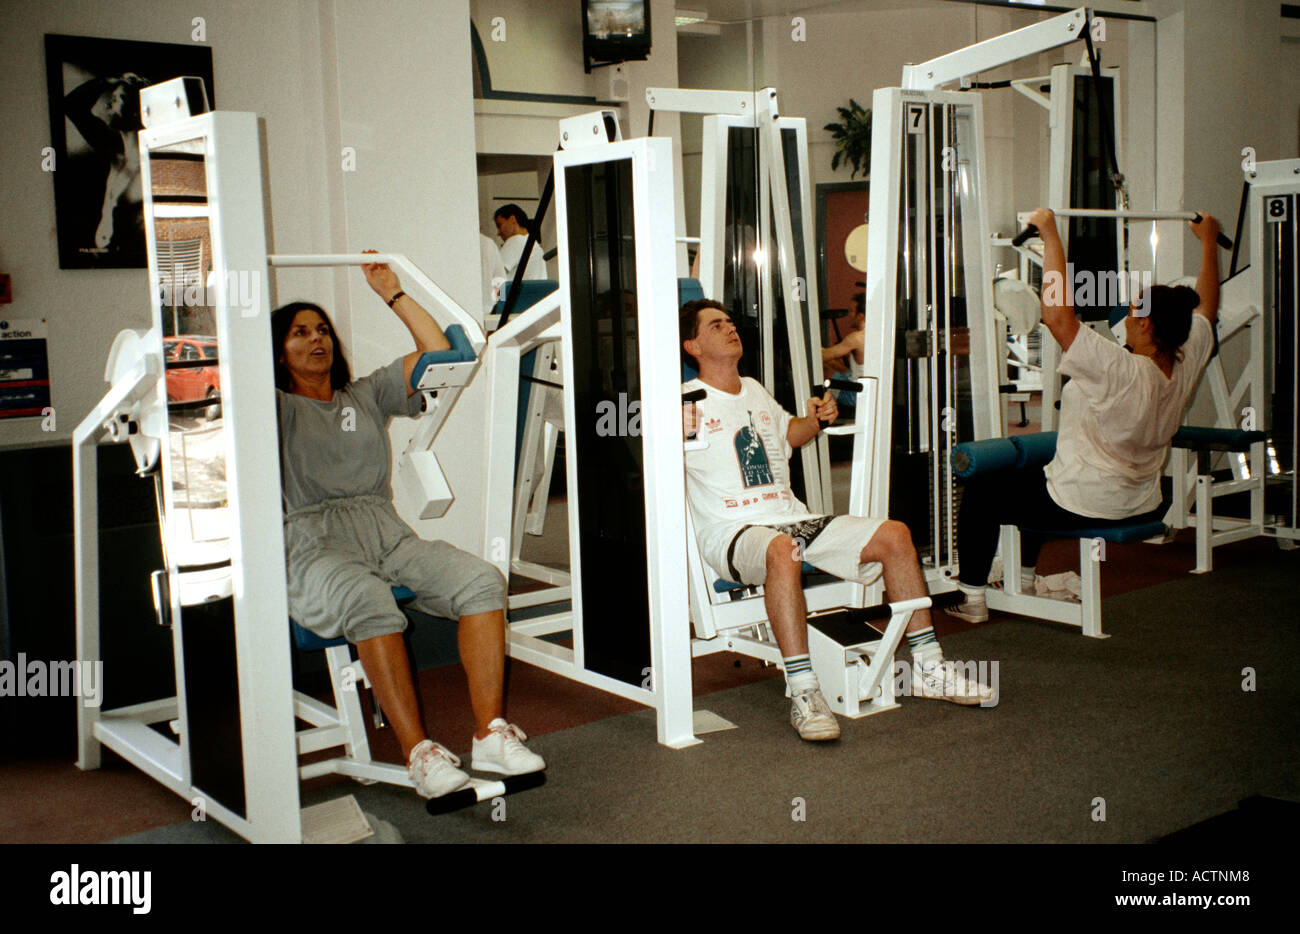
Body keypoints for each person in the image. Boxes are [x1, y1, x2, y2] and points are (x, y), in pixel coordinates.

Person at [272, 255, 544, 797]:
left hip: (382, 527)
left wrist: (392, 292)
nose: (315, 339)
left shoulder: (365, 395)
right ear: (277, 350)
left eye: (322, 329)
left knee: (481, 581)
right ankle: (420, 754)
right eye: (299, 333)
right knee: (369, 599)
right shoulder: (273, 407)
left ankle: (490, 733)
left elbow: (442, 355)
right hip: (310, 538)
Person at [680, 299, 994, 742]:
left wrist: (815, 420)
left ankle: (928, 667)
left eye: (730, 322)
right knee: (781, 550)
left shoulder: (752, 388)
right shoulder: (686, 401)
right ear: (692, 345)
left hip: (790, 518)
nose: (730, 328)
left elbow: (787, 436)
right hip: (734, 532)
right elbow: (659, 460)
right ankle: (804, 690)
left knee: (894, 535)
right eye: (716, 325)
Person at [950, 209, 1222, 621]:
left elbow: (1057, 317)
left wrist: (1051, 237)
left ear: (1147, 325)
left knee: (985, 491)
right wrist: (1208, 242)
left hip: (1089, 502)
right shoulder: (1185, 358)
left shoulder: (1121, 369)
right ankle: (1021, 580)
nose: (1125, 321)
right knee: (1040, 474)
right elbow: (1207, 308)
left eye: (1132, 314)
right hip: (1144, 500)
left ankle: (970, 598)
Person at [494, 204, 548, 281]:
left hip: (519, 293)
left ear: (512, 219)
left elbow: (493, 273)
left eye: (499, 225)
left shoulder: (516, 240)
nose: (498, 233)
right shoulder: (534, 244)